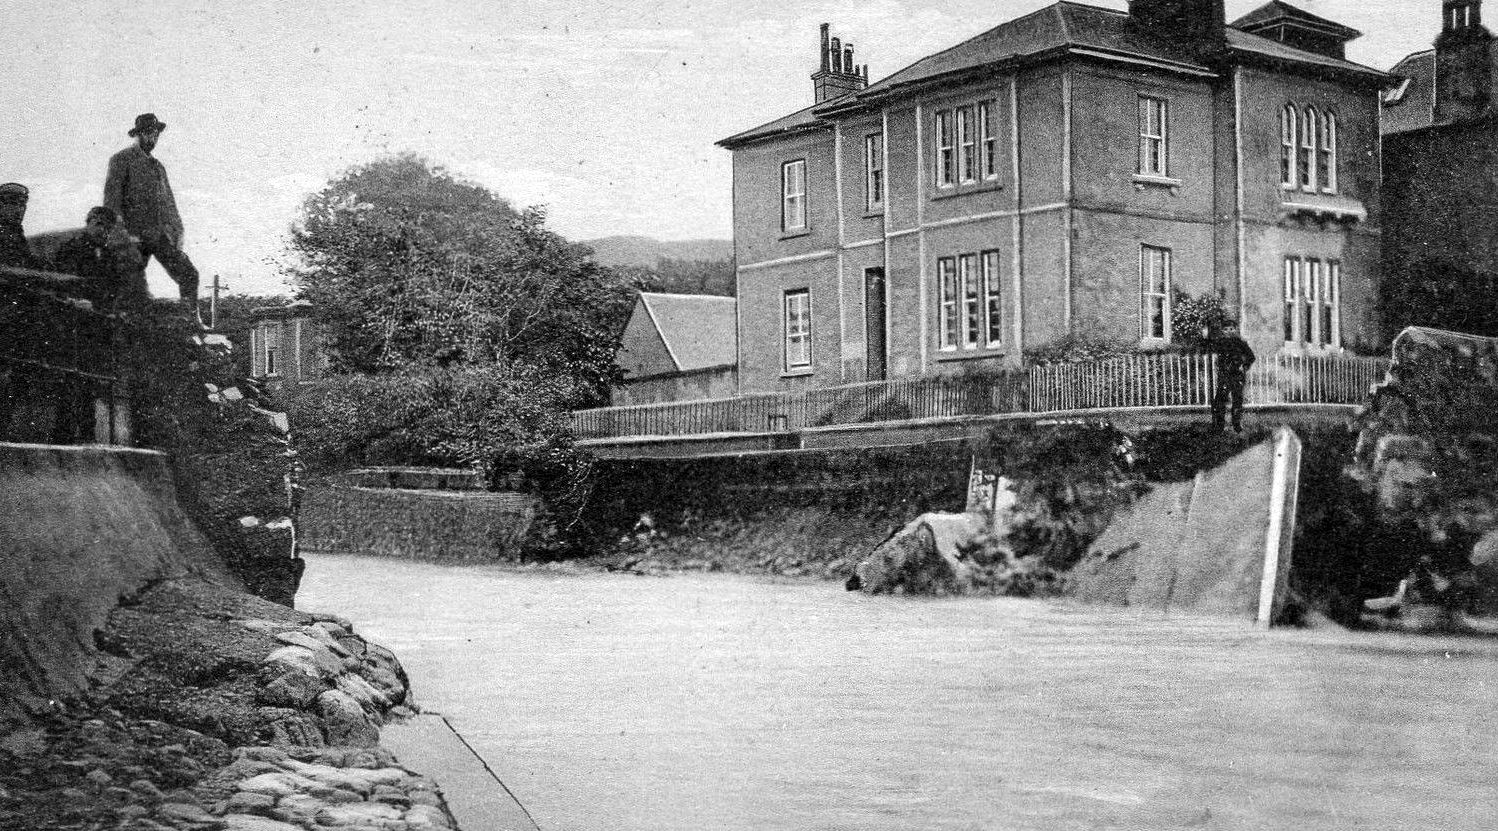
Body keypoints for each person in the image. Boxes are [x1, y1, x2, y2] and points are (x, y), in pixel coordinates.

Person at [104, 113, 200, 316]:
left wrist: (178, 231)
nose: (153, 138)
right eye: (148, 133)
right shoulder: (121, 160)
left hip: (157, 235)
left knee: (189, 274)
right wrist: (122, 235)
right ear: (137, 134)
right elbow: (112, 202)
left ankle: (190, 318)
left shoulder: (158, 168)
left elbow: (169, 204)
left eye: (156, 134)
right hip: (133, 237)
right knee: (128, 288)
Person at [52, 207, 147, 311]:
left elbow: (114, 285)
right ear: (88, 224)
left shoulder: (108, 254)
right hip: (74, 307)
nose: (102, 230)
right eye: (98, 224)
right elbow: (66, 281)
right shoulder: (71, 248)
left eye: (108, 228)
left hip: (98, 309)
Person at [1207, 320, 1255, 433]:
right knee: (1220, 400)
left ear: (1236, 329)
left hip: (1237, 375)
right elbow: (1210, 349)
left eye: (1231, 329)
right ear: (1222, 331)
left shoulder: (1241, 343)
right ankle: (1219, 425)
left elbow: (1251, 357)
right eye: (1226, 329)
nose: (1229, 331)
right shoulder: (1220, 343)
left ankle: (1236, 425)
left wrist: (1244, 365)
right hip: (1224, 375)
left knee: (1237, 400)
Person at [0, 182, 47, 270]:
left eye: (22, 204)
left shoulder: (16, 231)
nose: (19, 210)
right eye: (13, 204)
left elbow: (27, 260)